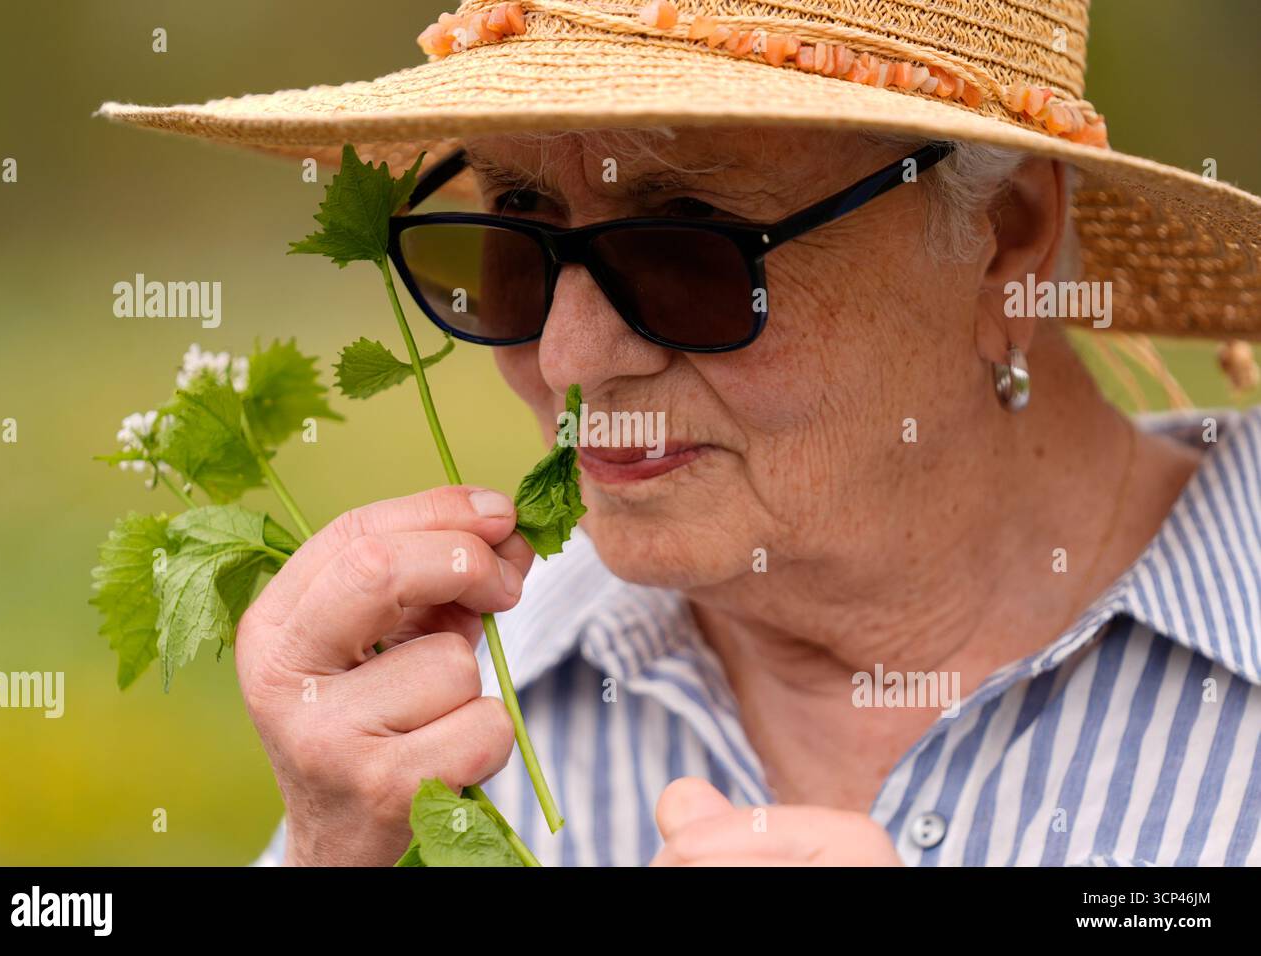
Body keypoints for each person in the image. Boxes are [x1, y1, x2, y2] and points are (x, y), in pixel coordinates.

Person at [99, 0, 1261, 866]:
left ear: (1003, 236)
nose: (569, 358)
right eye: (519, 223)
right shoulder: (479, 699)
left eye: (689, 242)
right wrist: (327, 851)